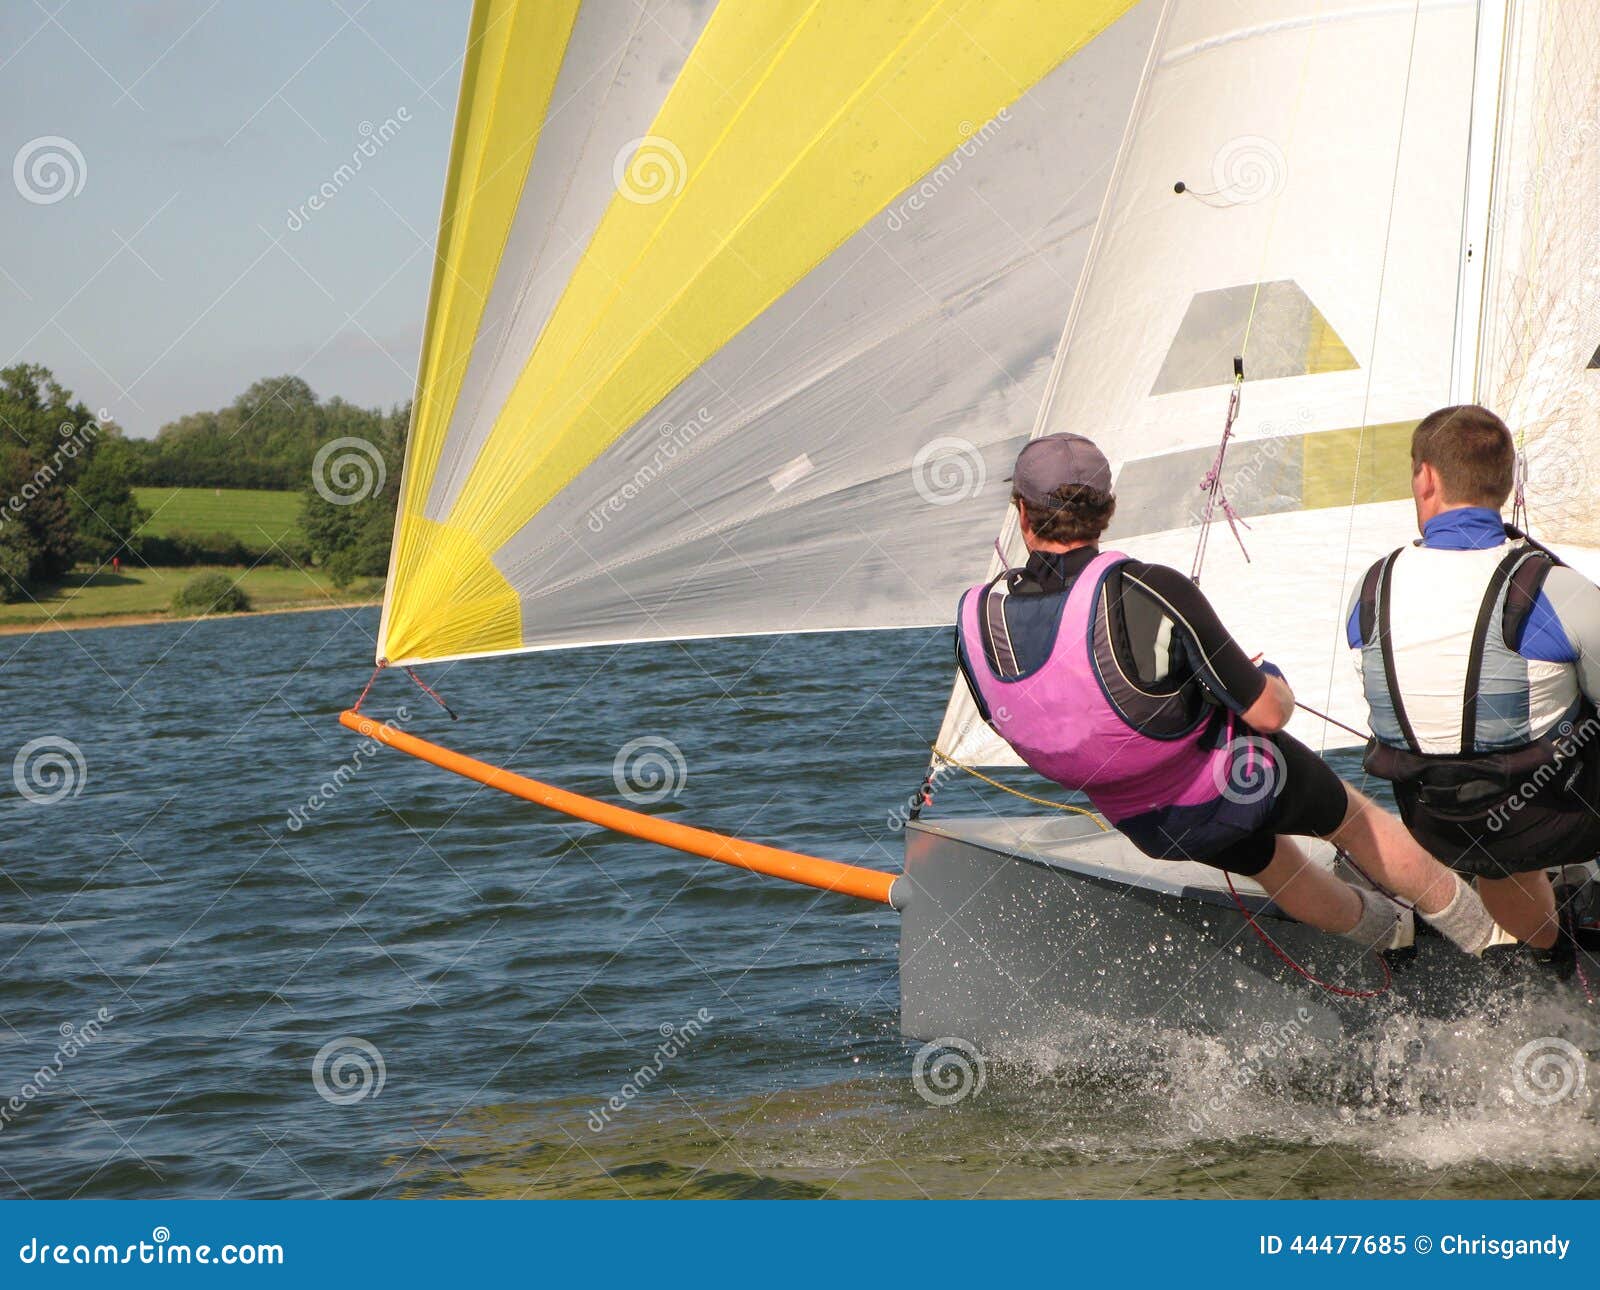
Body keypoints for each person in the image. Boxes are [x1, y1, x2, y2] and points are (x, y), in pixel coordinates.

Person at [956, 432, 1500, 956]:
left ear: (1023, 515)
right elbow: (1266, 714)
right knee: (1355, 822)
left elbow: (1034, 712)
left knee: (1271, 861)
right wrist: (1278, 685)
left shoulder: (976, 621)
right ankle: (1490, 944)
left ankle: (1393, 939)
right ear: (1106, 511)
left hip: (1149, 826)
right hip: (1235, 785)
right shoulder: (1147, 588)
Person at [1348, 405, 1600, 962]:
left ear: (1426, 477)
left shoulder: (1372, 587)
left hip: (1436, 822)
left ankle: (1549, 957)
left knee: (1497, 836)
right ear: (1507, 484)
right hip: (1554, 818)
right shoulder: (1556, 587)